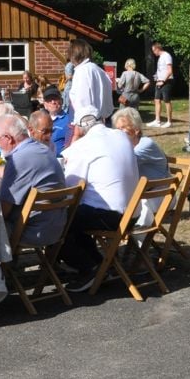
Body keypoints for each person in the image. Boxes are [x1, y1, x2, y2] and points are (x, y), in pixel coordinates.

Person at [60, 108, 140, 292]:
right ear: (102, 120)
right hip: (132, 213)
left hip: (111, 216)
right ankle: (101, 264)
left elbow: (70, 189)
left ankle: (90, 268)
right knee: (77, 216)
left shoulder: (83, 146)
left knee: (58, 220)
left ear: (78, 128)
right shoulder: (120, 136)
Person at [0, 114, 68, 247]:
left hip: (34, 232)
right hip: (57, 227)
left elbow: (4, 211)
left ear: (8, 138)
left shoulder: (18, 159)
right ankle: (10, 264)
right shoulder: (42, 150)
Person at [67, 38, 114, 144]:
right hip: (103, 122)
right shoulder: (100, 71)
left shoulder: (82, 72)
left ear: (74, 54)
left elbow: (83, 103)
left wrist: (77, 134)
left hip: (88, 127)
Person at [147, 42, 174, 128]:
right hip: (159, 81)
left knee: (166, 101)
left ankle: (169, 121)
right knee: (157, 100)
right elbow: (161, 70)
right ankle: (157, 120)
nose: (153, 52)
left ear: (158, 49)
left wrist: (163, 81)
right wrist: (157, 77)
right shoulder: (160, 57)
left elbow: (170, 71)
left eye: (154, 50)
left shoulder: (167, 56)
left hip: (166, 82)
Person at [40, 86, 70, 155]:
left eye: (55, 98)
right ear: (45, 105)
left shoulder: (69, 120)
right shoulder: (41, 120)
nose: (53, 102)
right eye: (49, 100)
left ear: (61, 101)